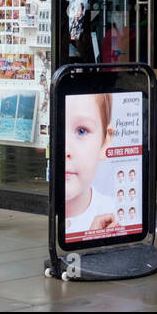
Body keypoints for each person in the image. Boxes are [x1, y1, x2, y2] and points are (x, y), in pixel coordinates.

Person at [63, 92, 118, 238]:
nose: (66, 149)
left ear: (105, 141)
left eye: (81, 131)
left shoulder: (114, 214)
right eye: (52, 130)